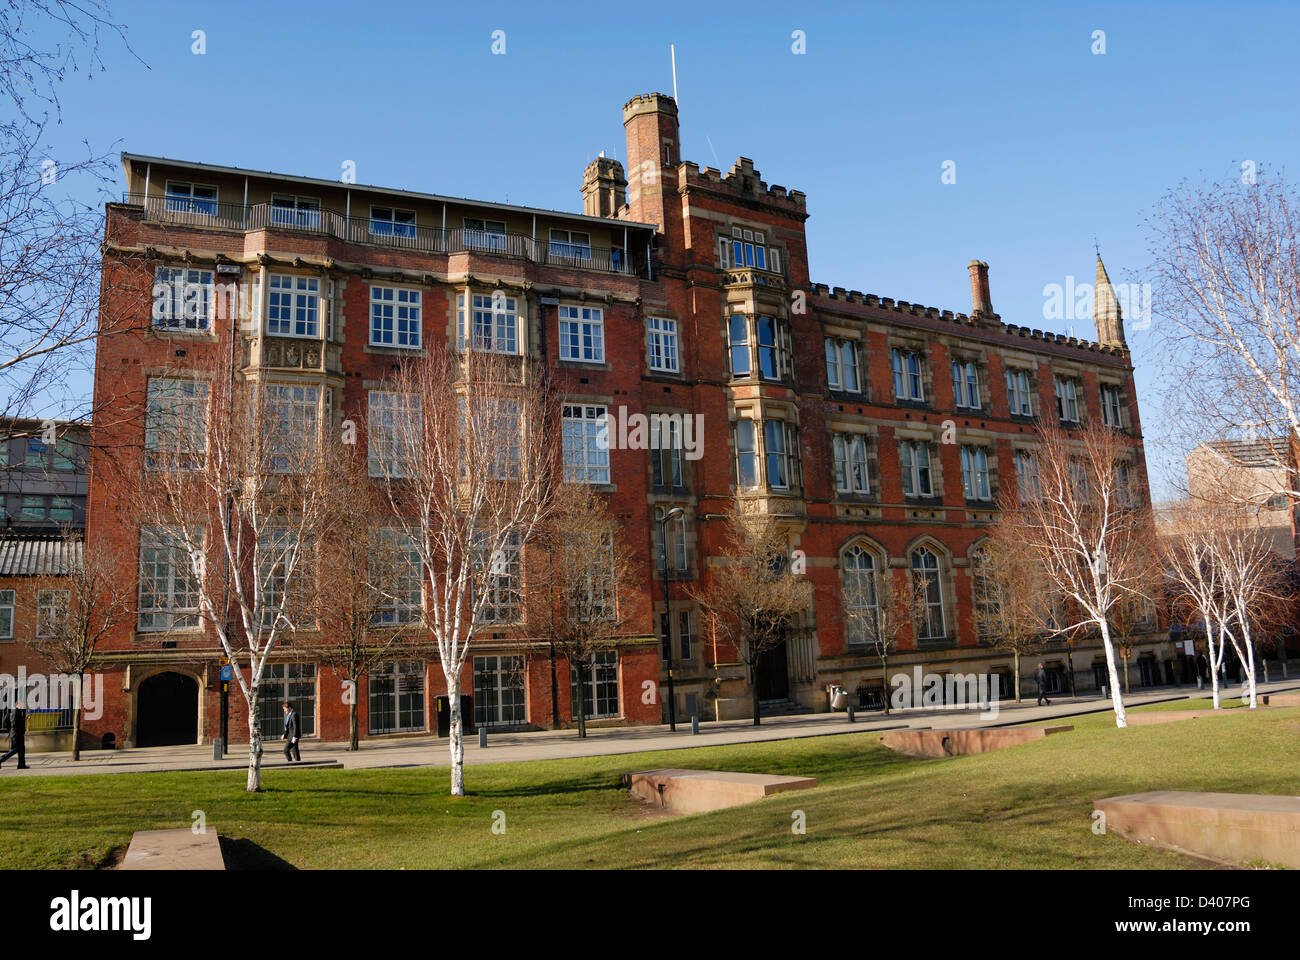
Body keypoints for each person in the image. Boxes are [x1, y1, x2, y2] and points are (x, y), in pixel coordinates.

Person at [0, 693, 29, 770]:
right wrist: (13, 731)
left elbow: (6, 722)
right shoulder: (15, 711)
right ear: (17, 704)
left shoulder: (17, 711)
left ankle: (21, 764)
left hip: (18, 732)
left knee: (21, 749)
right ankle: (1, 759)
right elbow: (14, 723)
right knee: (15, 749)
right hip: (16, 733)